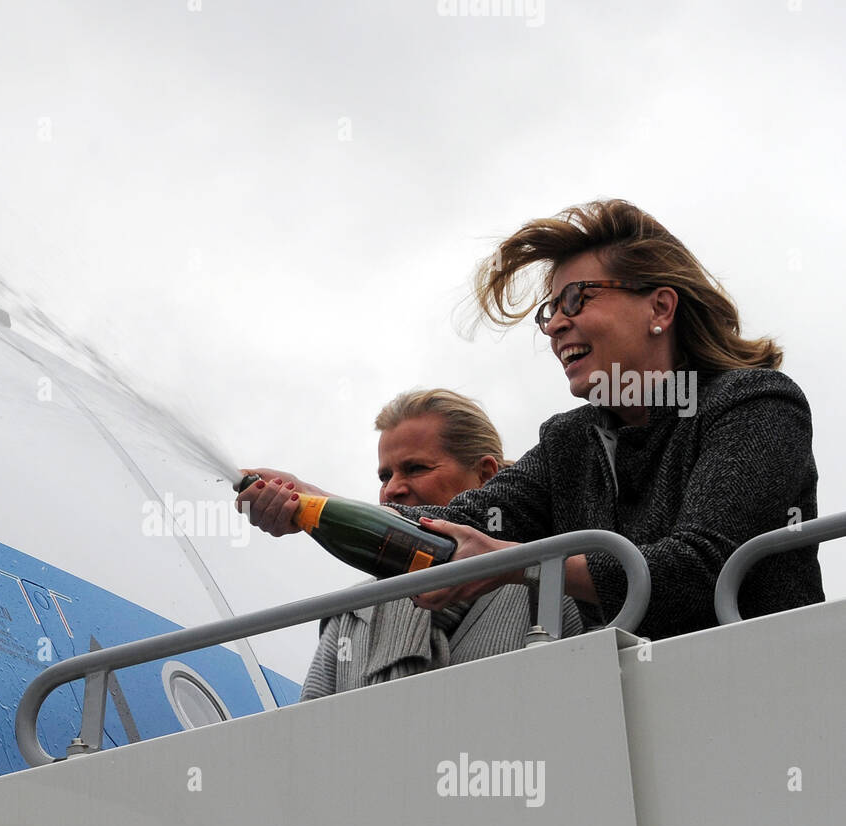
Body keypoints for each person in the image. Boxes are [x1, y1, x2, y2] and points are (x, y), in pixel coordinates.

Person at [240, 200, 823, 642]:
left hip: (771, 693)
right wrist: (312, 505)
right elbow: (454, 524)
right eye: (550, 311)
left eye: (577, 300)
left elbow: (701, 568)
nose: (553, 326)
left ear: (660, 308)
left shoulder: (756, 404)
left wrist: (513, 562)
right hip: (630, 713)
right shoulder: (571, 441)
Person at [244, 389, 581, 701]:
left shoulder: (550, 581)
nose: (392, 490)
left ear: (487, 476)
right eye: (384, 476)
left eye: (415, 468)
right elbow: (311, 741)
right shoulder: (352, 615)